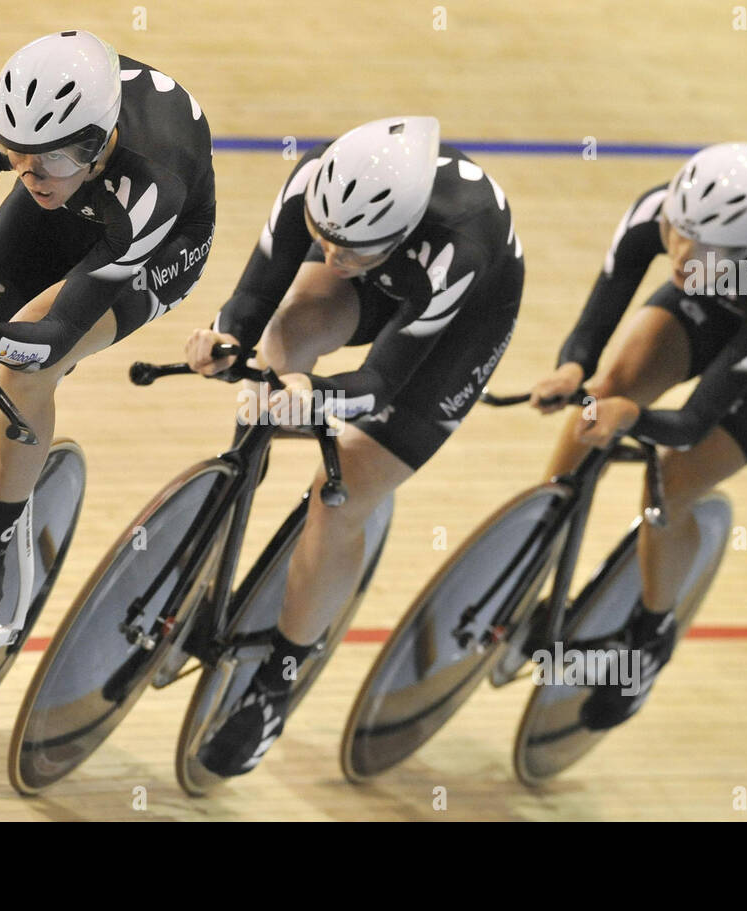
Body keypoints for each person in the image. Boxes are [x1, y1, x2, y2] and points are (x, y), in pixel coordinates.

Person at [184, 116, 525, 775]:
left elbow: (380, 383)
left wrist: (318, 395)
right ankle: (241, 480)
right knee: (287, 338)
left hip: (455, 329)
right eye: (324, 238)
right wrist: (227, 338)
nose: (332, 257)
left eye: (350, 249)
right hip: (384, 277)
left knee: (340, 498)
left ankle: (275, 686)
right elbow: (258, 289)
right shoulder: (318, 178)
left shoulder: (463, 241)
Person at [0, 30, 215, 645]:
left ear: (98, 143)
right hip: (66, 209)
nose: (25, 173)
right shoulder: (16, 133)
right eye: (13, 156)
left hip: (152, 248)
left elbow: (53, 336)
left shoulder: (156, 174)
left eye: (46, 158)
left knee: (23, 371)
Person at [529, 142, 747, 728]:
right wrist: (571, 370)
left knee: (673, 481)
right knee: (608, 390)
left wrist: (631, 419)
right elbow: (595, 323)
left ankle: (647, 643)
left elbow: (691, 426)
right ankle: (534, 541)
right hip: (723, 293)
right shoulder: (657, 214)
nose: (683, 256)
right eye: (678, 232)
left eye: (707, 247)